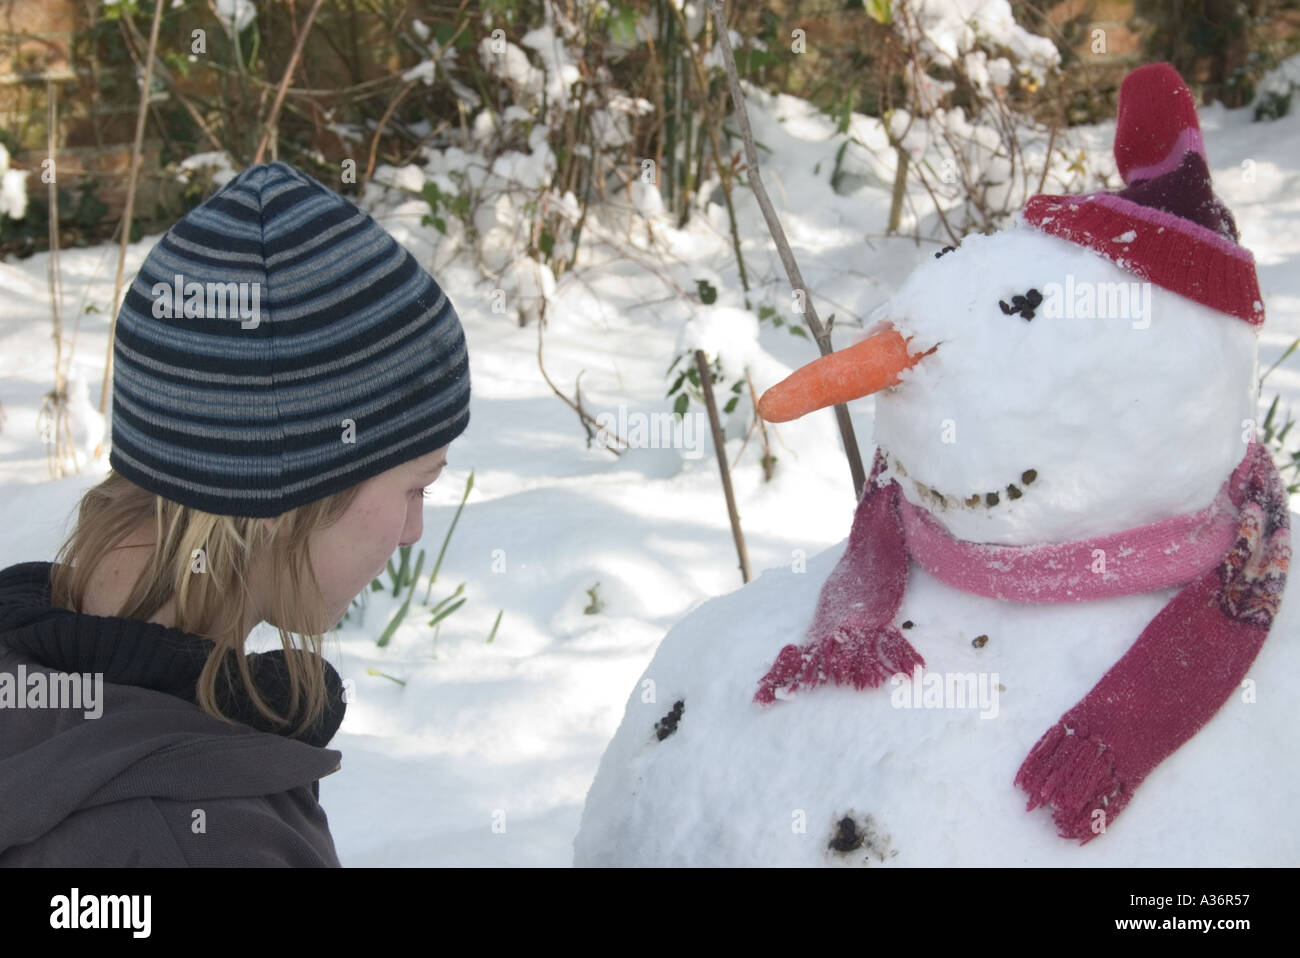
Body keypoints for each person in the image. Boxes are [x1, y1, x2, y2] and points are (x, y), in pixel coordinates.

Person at [0, 161, 471, 866]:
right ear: (282, 498)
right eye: (415, 488)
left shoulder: (44, 701)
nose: (413, 533)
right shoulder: (186, 837)